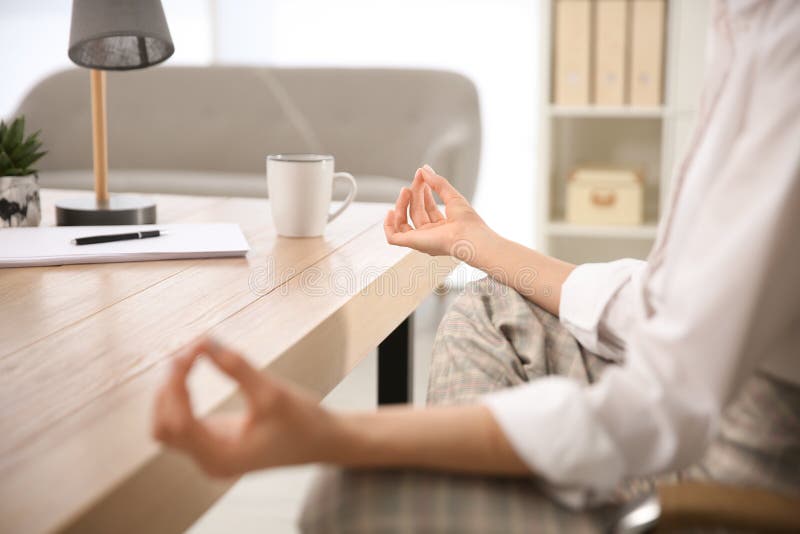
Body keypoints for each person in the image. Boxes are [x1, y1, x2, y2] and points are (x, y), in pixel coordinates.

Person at [152, 1, 800, 531]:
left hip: (735, 483)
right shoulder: (747, 27)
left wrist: (341, 433)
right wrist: (476, 244)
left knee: (351, 501)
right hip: (710, 401)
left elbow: (664, 408)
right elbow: (669, 302)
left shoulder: (786, 60)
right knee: (491, 303)